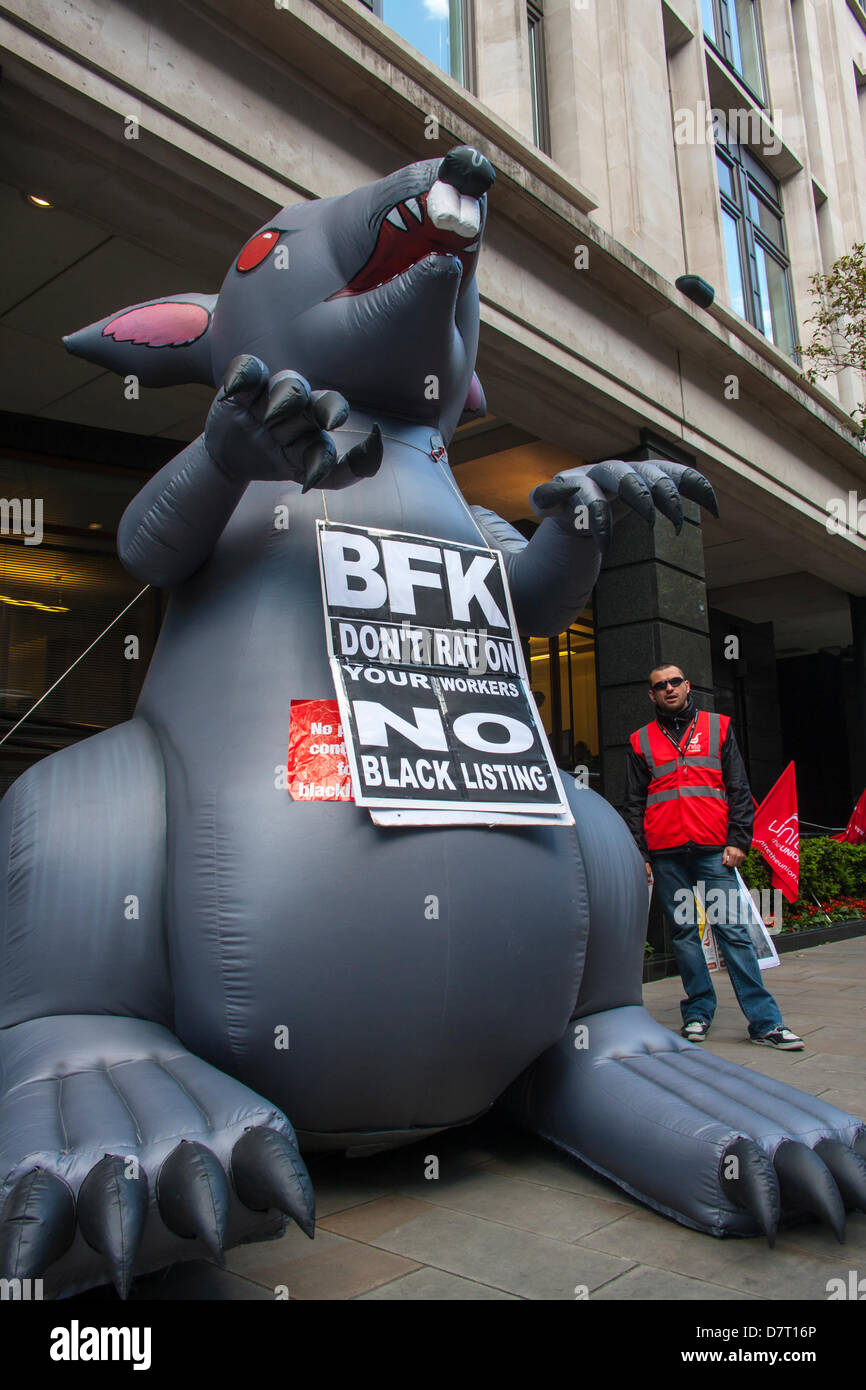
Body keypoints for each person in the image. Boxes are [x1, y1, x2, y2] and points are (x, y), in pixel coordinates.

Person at [622, 664, 804, 1050]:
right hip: (667, 854)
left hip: (713, 852)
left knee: (733, 933)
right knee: (686, 935)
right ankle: (698, 1013)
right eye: (660, 686)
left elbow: (739, 788)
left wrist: (739, 840)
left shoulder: (718, 727)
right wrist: (642, 853)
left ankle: (765, 1023)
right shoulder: (640, 740)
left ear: (687, 686)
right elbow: (635, 803)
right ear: (651, 695)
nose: (668, 689)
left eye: (674, 682)